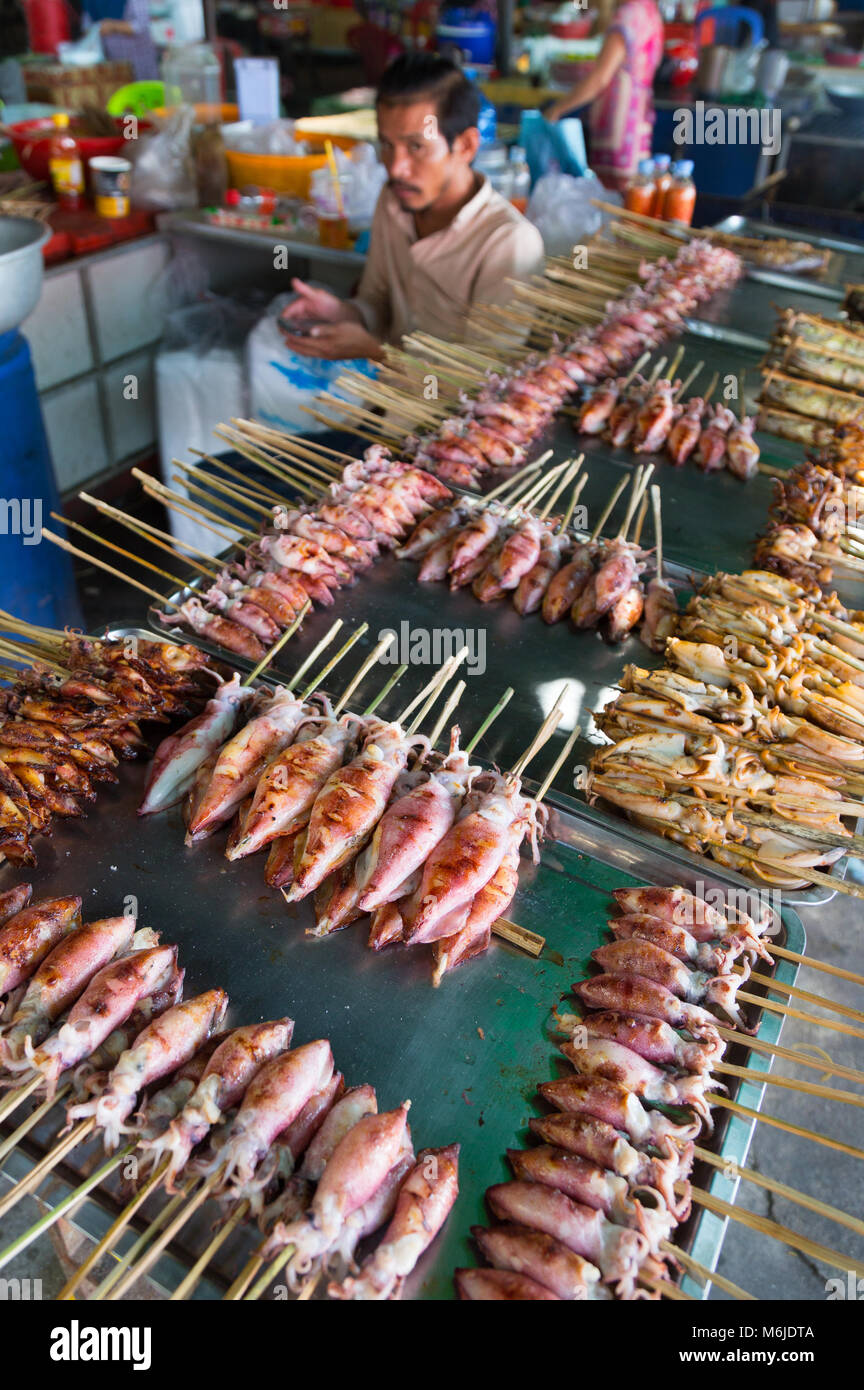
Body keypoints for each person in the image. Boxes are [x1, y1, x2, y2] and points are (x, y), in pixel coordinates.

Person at [280, 51, 545, 362]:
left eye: (416, 147)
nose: (396, 169)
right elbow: (378, 302)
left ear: (466, 146)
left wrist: (377, 352)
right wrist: (346, 313)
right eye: (388, 145)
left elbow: (487, 378)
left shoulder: (510, 243)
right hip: (384, 404)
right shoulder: (394, 201)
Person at [544, 0, 664, 191]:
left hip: (619, 124)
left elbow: (599, 78)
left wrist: (556, 110)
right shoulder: (648, 9)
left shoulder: (627, 15)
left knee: (611, 196)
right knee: (630, 195)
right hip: (638, 122)